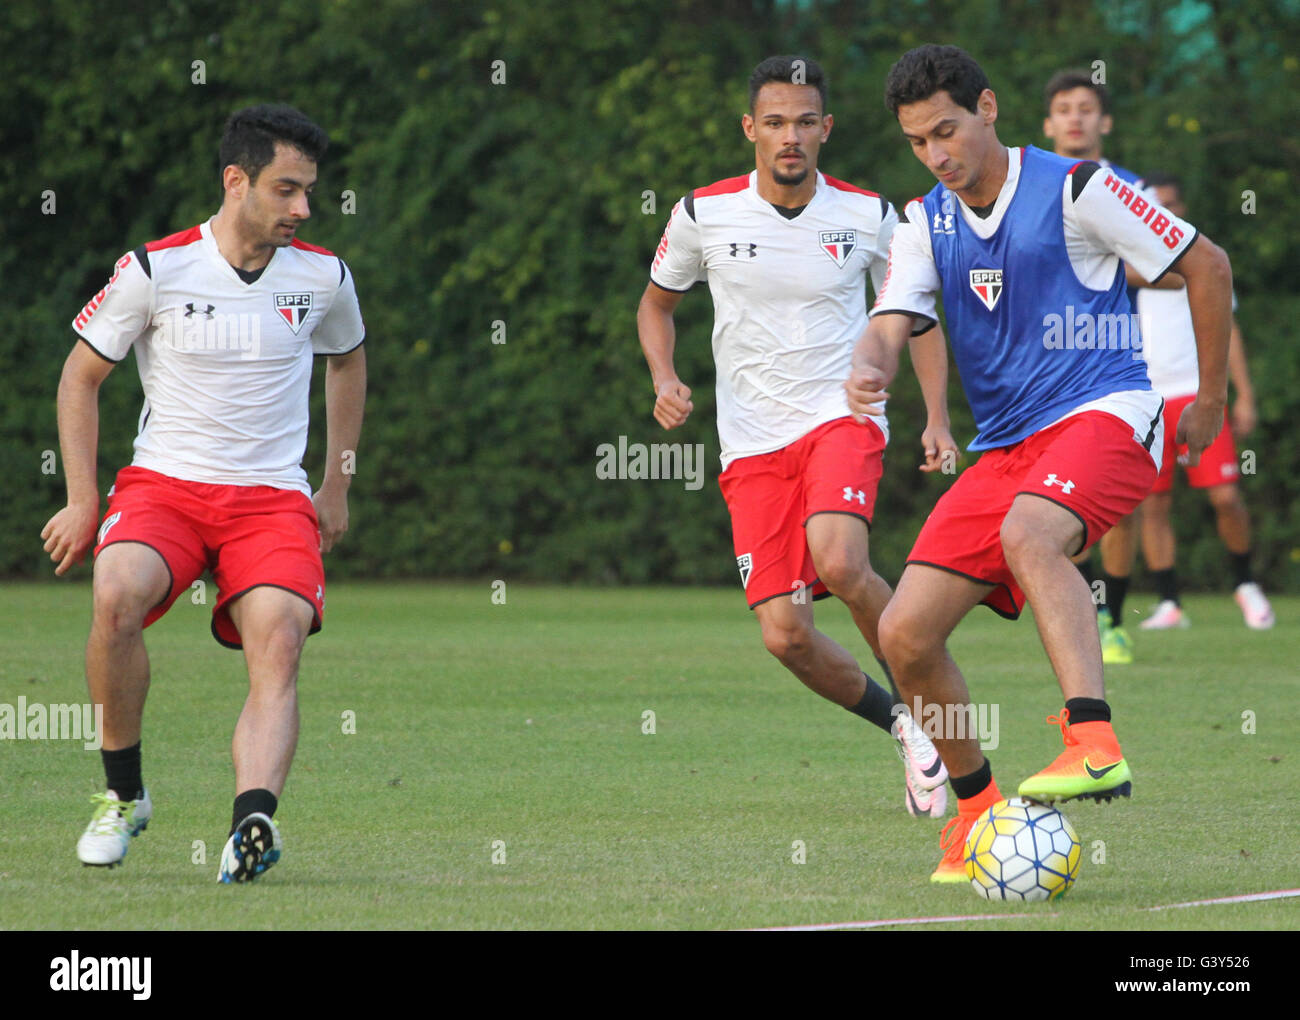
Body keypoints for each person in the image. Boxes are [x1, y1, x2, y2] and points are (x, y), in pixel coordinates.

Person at [847, 45, 1232, 882]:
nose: (937, 154)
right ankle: (979, 817)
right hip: (1009, 448)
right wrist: (871, 361)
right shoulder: (923, 223)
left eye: (946, 130)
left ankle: (1092, 738)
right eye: (918, 142)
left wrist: (1208, 401)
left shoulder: (1077, 189)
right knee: (903, 633)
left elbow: (1208, 265)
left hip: (1107, 410)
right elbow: (891, 320)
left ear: (987, 108)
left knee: (1031, 534)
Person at [41, 104, 367, 882]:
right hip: (166, 488)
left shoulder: (324, 277)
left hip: (271, 498)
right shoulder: (156, 268)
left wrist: (336, 481)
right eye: (287, 190)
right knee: (115, 592)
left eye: (309, 192)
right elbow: (80, 377)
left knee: (281, 635)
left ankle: (251, 822)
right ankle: (122, 797)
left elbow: (348, 362)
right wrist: (83, 499)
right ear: (236, 181)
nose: (303, 209)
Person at [638, 55, 955, 818]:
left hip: (840, 419)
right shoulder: (702, 213)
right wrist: (665, 379)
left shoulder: (870, 216)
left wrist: (936, 416)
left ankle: (936, 701)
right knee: (786, 637)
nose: (791, 136)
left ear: (826, 129)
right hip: (751, 445)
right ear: (751, 129)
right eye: (775, 122)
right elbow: (655, 307)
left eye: (805, 122)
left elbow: (920, 315)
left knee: (841, 560)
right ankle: (907, 725)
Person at [1041, 68, 1150, 664]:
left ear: (1104, 122)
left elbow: (1164, 263)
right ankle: (1086, 611)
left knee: (1123, 505)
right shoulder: (1030, 186)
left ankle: (1115, 619)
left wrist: (1086, 265)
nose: (1075, 117)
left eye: (1086, 107)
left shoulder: (1129, 187)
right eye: (1064, 108)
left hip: (1113, 362)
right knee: (1060, 501)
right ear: (1048, 123)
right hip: (1048, 367)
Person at [1134, 173, 1273, 631]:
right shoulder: (1128, 263)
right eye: (1157, 205)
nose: (1166, 212)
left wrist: (1244, 395)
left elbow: (1229, 334)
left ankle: (1245, 584)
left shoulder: (1203, 261)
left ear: (1183, 207)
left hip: (1198, 396)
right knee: (1152, 505)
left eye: (1172, 204)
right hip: (1146, 402)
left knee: (1226, 496)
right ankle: (1170, 601)